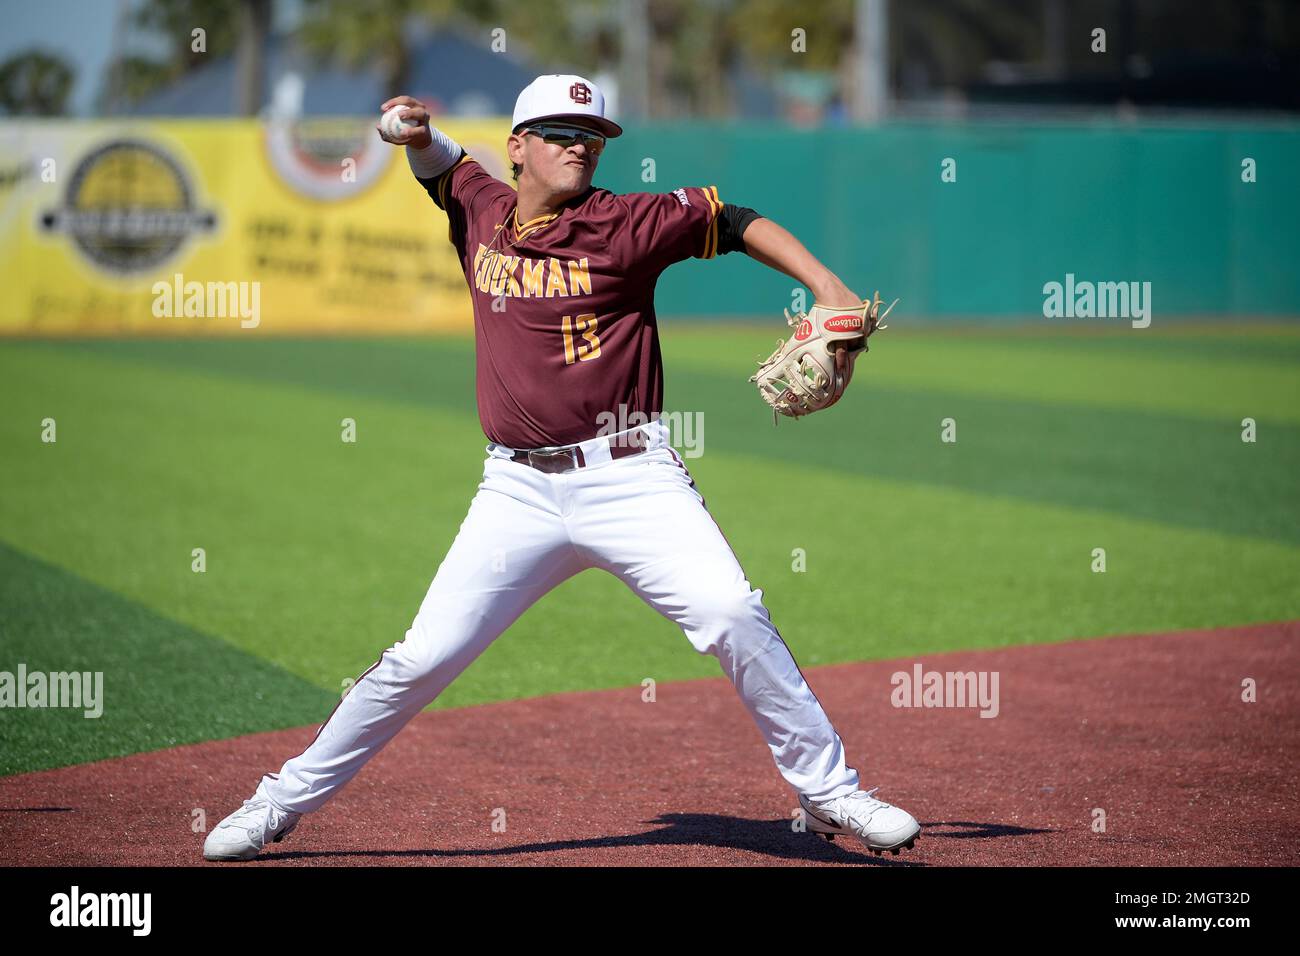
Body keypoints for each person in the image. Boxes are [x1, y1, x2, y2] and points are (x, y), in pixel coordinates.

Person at [202, 74, 920, 862]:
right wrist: (414, 136)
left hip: (631, 475)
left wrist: (827, 288)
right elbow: (447, 171)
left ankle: (830, 793)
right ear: (519, 147)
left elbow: (735, 218)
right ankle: (277, 803)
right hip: (516, 490)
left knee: (731, 614)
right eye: (559, 131)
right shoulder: (481, 208)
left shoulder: (626, 222)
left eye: (592, 133)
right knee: (421, 658)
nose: (581, 144)